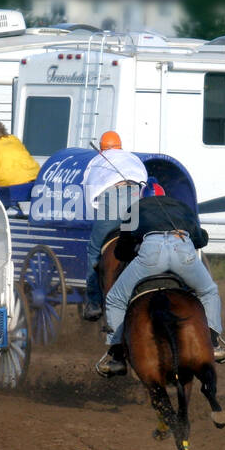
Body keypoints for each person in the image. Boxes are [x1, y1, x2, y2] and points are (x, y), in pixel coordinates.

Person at [95, 186, 225, 376]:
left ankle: (116, 356)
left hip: (151, 254)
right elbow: (199, 239)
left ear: (143, 197)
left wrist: (130, 252)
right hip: (183, 250)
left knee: (115, 299)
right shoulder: (182, 207)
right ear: (165, 195)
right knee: (208, 291)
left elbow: (122, 248)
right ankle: (214, 343)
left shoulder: (134, 209)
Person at [81, 131, 148, 321]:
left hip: (111, 199)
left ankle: (94, 303)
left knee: (94, 250)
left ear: (102, 148)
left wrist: (97, 213)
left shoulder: (96, 161)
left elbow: (90, 195)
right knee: (139, 244)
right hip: (135, 197)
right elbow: (144, 180)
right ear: (120, 146)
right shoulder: (132, 158)